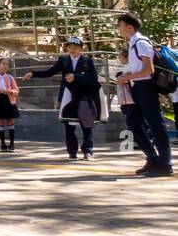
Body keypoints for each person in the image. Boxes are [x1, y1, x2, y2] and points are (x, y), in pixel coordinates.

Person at [21, 37, 105, 161]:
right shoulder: (64, 60)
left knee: (87, 125)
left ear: (81, 48)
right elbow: (50, 72)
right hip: (68, 97)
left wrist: (76, 77)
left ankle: (88, 151)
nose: (72, 49)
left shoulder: (87, 61)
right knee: (69, 125)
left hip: (84, 98)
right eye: (70, 47)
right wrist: (33, 73)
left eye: (75, 47)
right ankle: (72, 152)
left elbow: (93, 79)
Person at [115, 13, 171, 177]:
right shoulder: (133, 43)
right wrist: (125, 76)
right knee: (132, 122)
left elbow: (149, 70)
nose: (118, 28)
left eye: (120, 25)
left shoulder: (141, 42)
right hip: (137, 87)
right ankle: (153, 158)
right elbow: (137, 67)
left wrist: (127, 77)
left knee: (156, 124)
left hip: (145, 87)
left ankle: (165, 164)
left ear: (129, 27)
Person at [0, 56, 21, 151]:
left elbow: (17, 91)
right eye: (4, 64)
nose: (6, 66)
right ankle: (2, 144)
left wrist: (11, 91)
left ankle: (12, 144)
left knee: (11, 121)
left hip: (9, 100)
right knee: (0, 121)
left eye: (7, 64)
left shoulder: (10, 77)